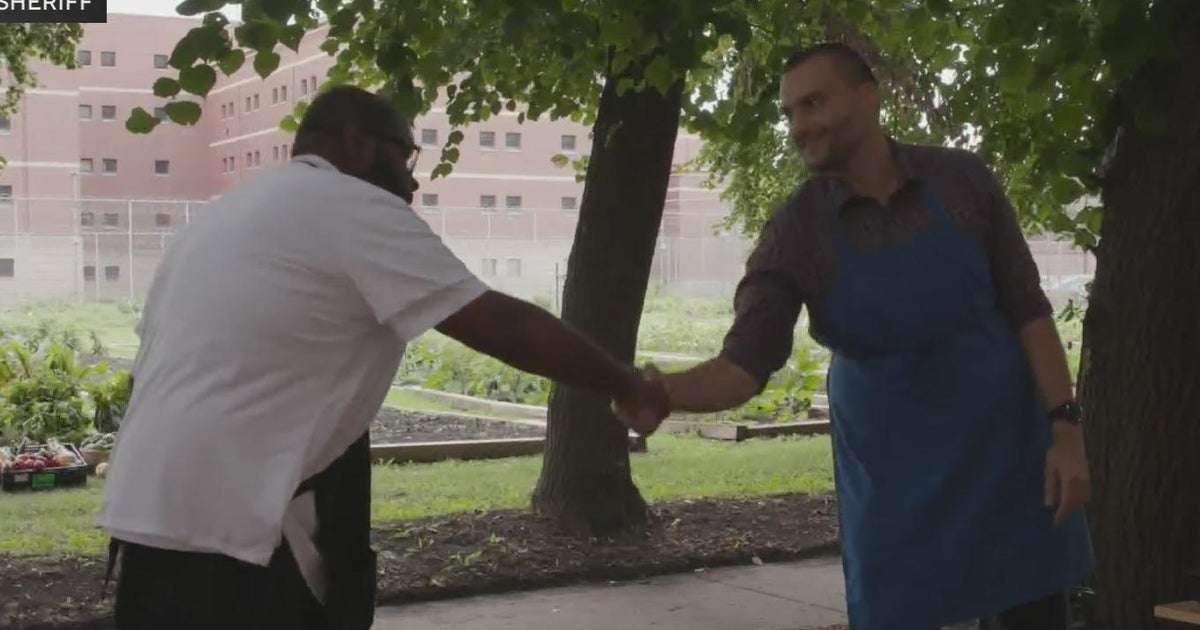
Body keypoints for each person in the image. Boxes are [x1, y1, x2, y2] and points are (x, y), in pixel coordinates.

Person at [99, 85, 668, 630]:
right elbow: (499, 324)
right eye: (405, 154)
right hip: (239, 528)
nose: (413, 179)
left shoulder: (224, 215)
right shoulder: (352, 205)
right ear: (357, 141)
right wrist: (624, 384)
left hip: (146, 515)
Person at [627, 43, 1094, 630]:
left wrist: (1065, 429)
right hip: (894, 482)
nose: (800, 125)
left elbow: (1027, 308)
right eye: (791, 112)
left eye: (815, 103)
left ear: (868, 98)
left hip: (1010, 459)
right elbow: (743, 366)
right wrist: (664, 392)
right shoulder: (796, 232)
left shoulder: (962, 180)